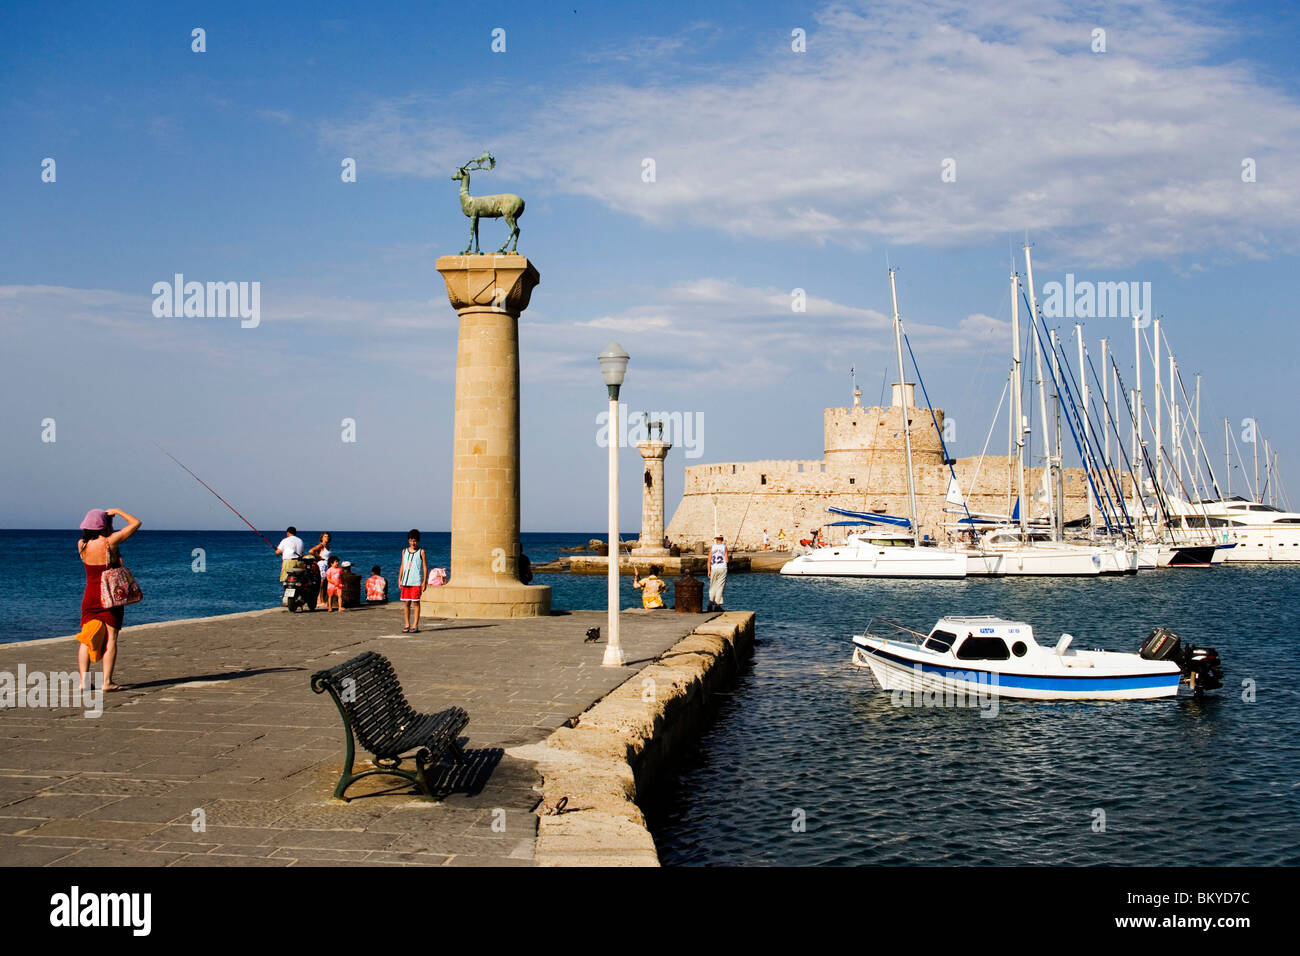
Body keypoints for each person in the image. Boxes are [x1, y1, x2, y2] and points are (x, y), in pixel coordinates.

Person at [77, 507, 142, 692]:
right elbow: (136, 523)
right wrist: (118, 512)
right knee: (111, 638)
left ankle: (83, 681)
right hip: (110, 595)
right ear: (103, 526)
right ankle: (106, 682)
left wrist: (107, 522)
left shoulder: (81, 544)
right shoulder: (110, 543)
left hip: (90, 595)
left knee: (86, 638)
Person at [398, 529, 427, 633]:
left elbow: (424, 566)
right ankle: (407, 624)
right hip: (406, 581)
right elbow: (402, 565)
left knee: (416, 603)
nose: (412, 543)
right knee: (406, 603)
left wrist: (424, 581)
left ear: (418, 541)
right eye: (410, 540)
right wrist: (399, 579)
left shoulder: (421, 552)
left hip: (416, 582)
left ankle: (415, 625)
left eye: (414, 541)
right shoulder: (404, 551)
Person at [308, 532, 332, 605]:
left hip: (326, 564)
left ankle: (322, 599)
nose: (326, 538)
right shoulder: (321, 545)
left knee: (324, 582)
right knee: (321, 582)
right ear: (322, 538)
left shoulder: (327, 546)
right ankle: (320, 600)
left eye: (327, 536)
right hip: (322, 564)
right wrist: (318, 557)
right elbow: (311, 551)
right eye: (325, 536)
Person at [708, 535, 728, 612]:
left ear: (716, 540)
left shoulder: (712, 547)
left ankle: (710, 604)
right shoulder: (724, 547)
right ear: (722, 540)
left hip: (714, 568)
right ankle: (717, 605)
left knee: (712, 586)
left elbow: (709, 560)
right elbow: (726, 560)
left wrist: (709, 571)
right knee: (720, 587)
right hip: (722, 568)